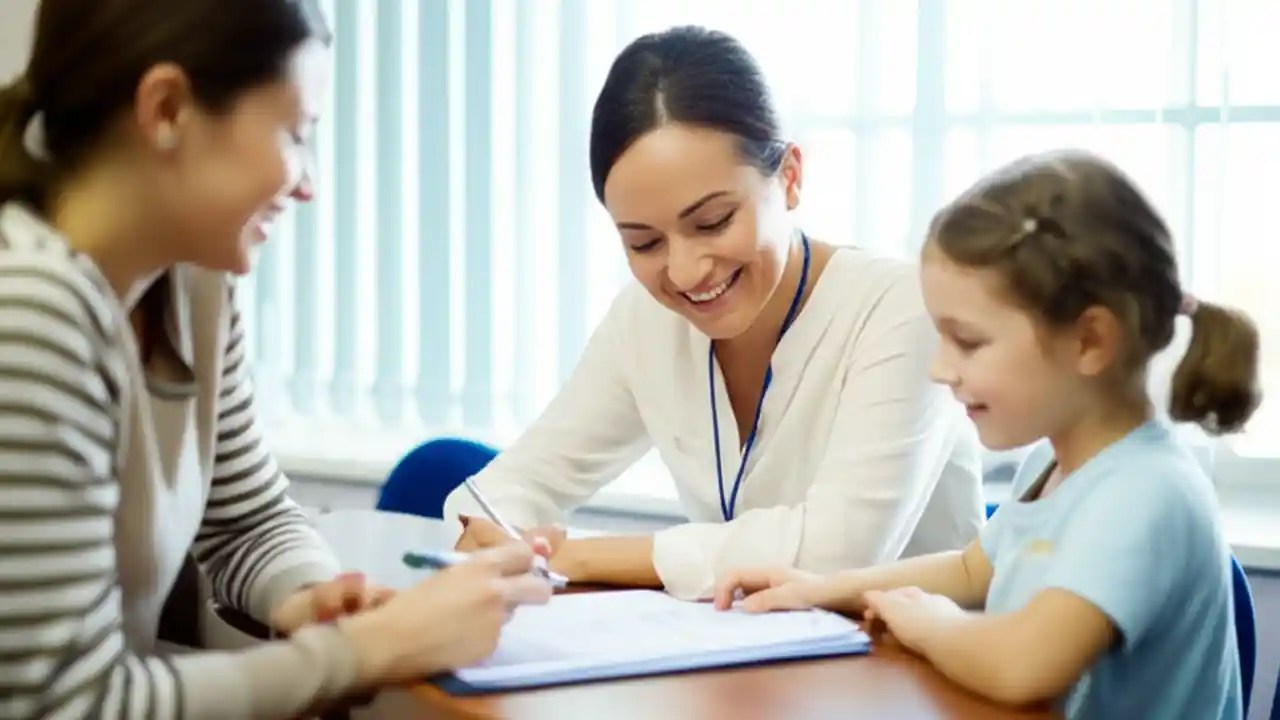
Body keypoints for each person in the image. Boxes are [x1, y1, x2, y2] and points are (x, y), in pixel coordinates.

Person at [0, 1, 551, 718]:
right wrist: (368, 649)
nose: (307, 183)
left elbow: (245, 520)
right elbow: (62, 704)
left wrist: (313, 598)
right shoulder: (31, 308)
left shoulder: (190, 281)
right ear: (166, 108)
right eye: (294, 133)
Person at [442, 26, 984, 601]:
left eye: (713, 222)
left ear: (791, 178)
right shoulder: (646, 322)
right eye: (644, 243)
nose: (684, 272)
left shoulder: (901, 308)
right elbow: (498, 496)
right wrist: (488, 535)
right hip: (745, 667)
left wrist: (576, 554)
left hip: (913, 671)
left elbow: (837, 551)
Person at [715, 150, 1259, 719]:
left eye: (968, 342)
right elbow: (977, 569)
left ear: (1091, 340)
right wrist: (821, 588)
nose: (939, 369)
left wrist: (930, 623)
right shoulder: (1057, 463)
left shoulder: (1146, 493)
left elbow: (1024, 665)